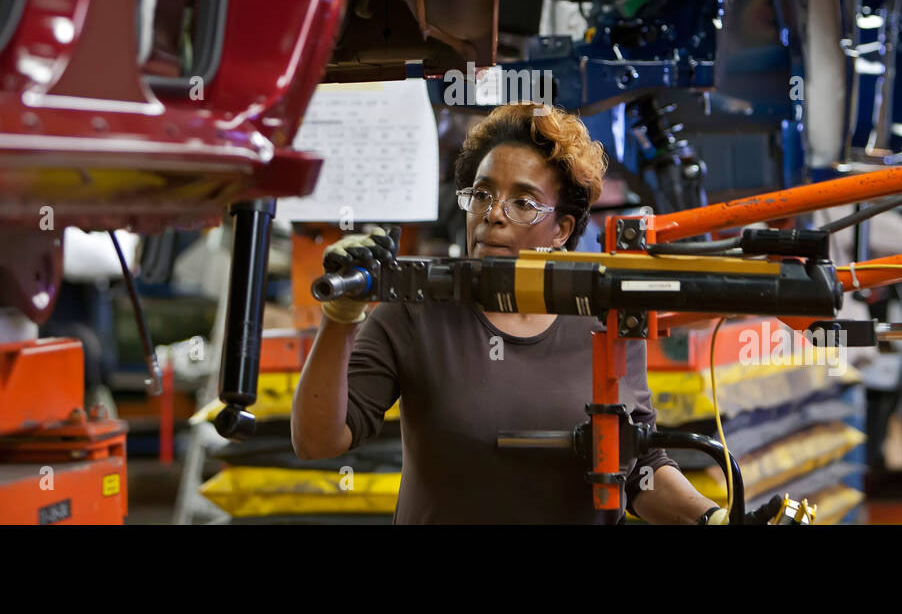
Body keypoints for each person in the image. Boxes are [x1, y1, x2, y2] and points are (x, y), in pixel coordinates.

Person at [291, 102, 724, 524]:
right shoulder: (415, 310)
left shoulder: (606, 317)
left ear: (562, 230)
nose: (492, 215)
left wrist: (711, 516)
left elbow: (640, 468)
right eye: (481, 195)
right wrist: (340, 317)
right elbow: (317, 440)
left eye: (523, 203)